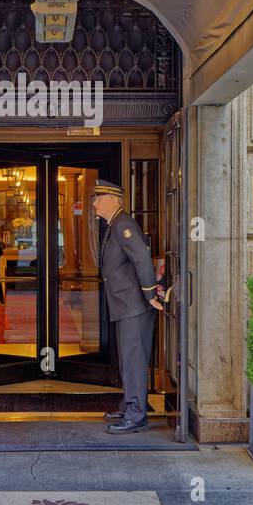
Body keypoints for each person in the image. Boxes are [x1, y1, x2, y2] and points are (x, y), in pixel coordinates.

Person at [91, 180, 164, 435]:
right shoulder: (114, 225)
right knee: (127, 359)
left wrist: (149, 293)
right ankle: (129, 405)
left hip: (134, 305)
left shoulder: (123, 225)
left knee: (133, 360)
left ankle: (136, 416)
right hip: (125, 305)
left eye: (98, 197)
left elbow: (142, 258)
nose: (94, 202)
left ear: (113, 200)